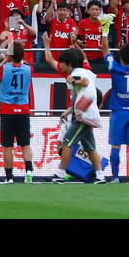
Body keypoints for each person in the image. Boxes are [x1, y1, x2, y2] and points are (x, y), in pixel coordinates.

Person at [53, 48, 106, 183]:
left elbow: (84, 82)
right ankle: (100, 176)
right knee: (90, 147)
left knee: (66, 143)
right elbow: (81, 95)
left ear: (69, 63)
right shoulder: (85, 72)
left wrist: (72, 81)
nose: (60, 65)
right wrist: (68, 111)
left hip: (83, 116)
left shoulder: (76, 74)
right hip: (87, 113)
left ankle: (60, 174)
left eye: (62, 63)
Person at [100, 34, 129, 183]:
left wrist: (105, 32)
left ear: (120, 57)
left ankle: (115, 177)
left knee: (116, 146)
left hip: (118, 113)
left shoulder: (114, 67)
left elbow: (105, 50)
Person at [0, 41, 34, 182]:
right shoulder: (29, 69)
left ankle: (9, 176)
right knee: (25, 144)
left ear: (10, 56)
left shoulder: (4, 68)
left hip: (7, 110)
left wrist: (5, 59)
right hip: (22, 109)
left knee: (7, 146)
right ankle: (29, 170)